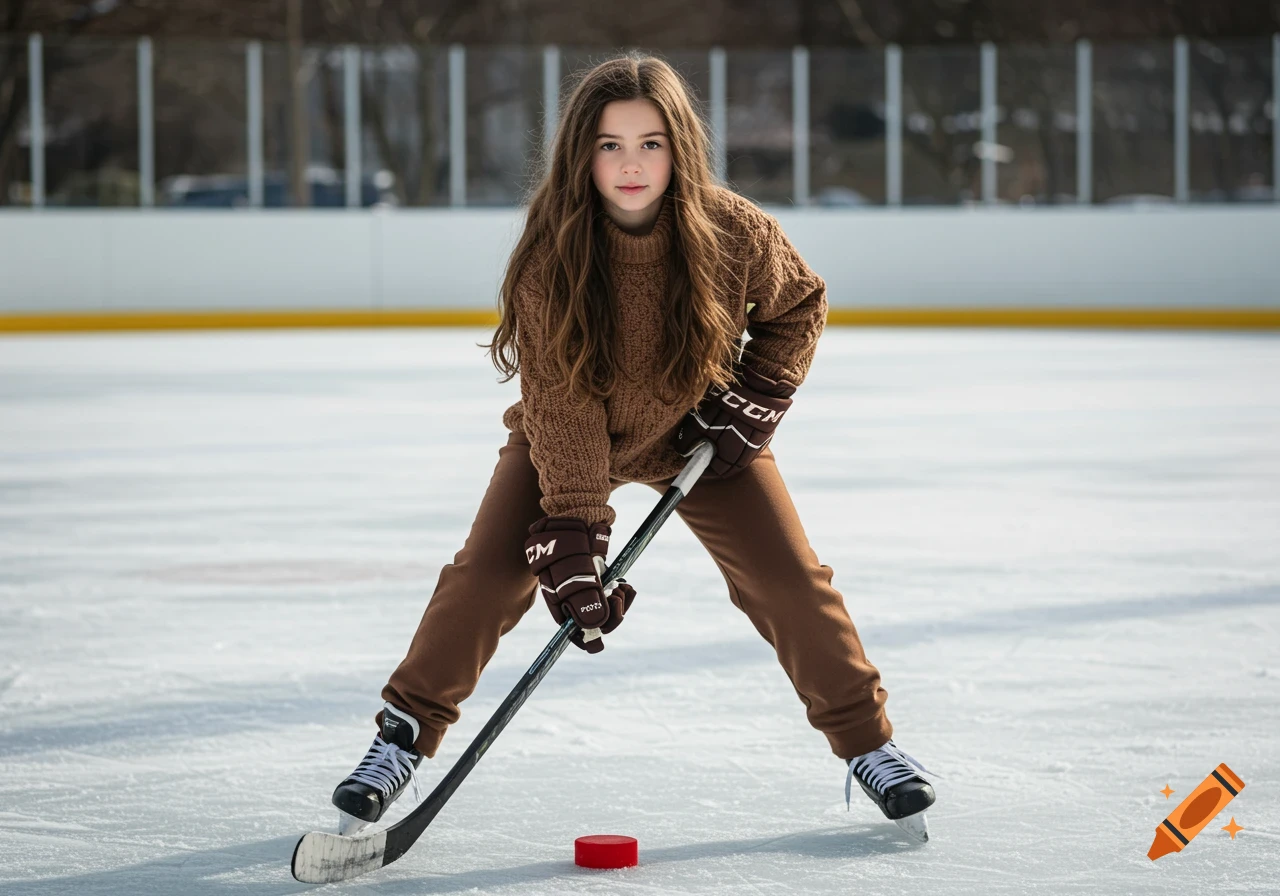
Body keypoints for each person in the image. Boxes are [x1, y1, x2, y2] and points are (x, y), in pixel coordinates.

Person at [329, 53, 935, 842]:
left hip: (698, 436)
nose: (630, 164)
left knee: (791, 582)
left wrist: (757, 395)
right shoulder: (553, 257)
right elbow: (562, 403)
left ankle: (870, 747)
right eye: (610, 145)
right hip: (568, 438)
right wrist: (574, 531)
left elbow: (799, 305)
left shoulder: (732, 229)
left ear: (680, 146)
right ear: (581, 152)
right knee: (484, 578)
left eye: (650, 143)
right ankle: (399, 739)